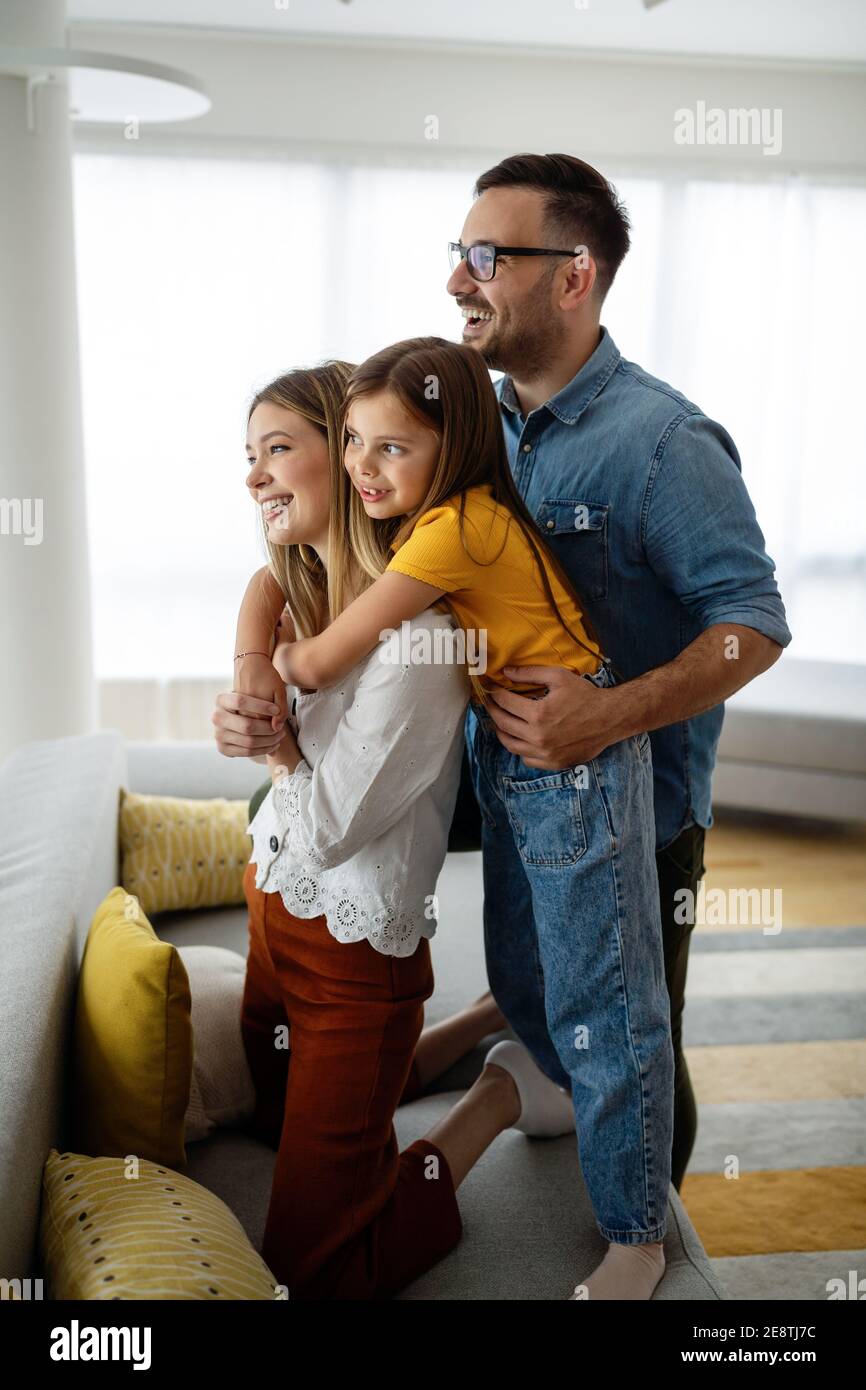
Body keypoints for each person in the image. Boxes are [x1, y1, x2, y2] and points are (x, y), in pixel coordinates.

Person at [237, 337, 676, 1300]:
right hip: (303, 895)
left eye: (384, 447)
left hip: (421, 887)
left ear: (448, 447)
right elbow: (275, 577)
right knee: (515, 972)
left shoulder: (426, 604)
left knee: (602, 1008)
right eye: (355, 441)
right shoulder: (323, 577)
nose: (363, 464)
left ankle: (558, 1155)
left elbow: (325, 798)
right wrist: (250, 655)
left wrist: (270, 704)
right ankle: (488, 1027)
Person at [445, 152, 793, 1198]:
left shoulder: (662, 442)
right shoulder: (472, 423)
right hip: (511, 795)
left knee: (637, 1053)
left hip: (640, 824)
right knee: (544, 1001)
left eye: (484, 256)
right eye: (455, 254)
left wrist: (606, 718)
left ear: (572, 275)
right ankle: (522, 1067)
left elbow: (753, 625)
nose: (458, 280)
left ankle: (654, 1249)